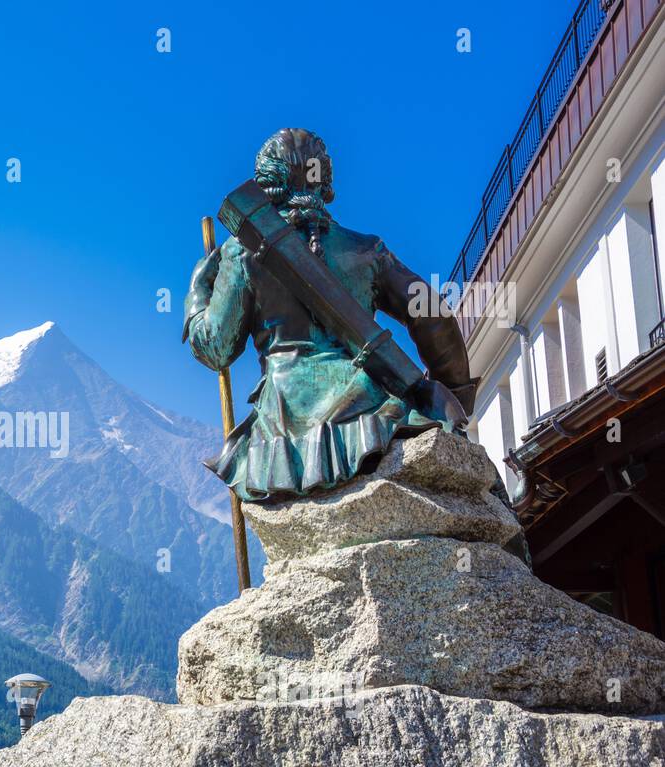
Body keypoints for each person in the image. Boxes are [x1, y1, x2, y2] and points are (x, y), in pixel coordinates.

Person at [184, 128, 477, 502]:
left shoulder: (240, 254)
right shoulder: (367, 250)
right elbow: (433, 315)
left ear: (266, 185)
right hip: (370, 405)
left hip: (286, 425)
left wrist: (197, 293)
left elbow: (215, 349)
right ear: (325, 182)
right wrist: (451, 395)